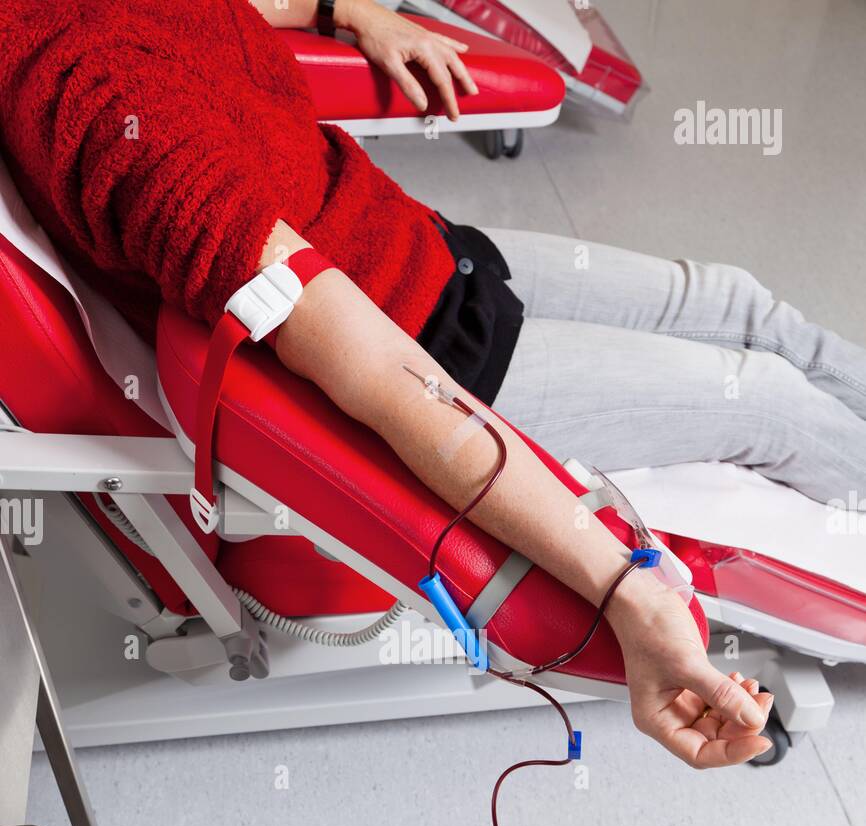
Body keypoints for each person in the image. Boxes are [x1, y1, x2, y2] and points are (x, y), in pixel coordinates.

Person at [7, 0, 821, 767]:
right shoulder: (113, 110)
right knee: (767, 403)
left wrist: (346, 13)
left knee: (740, 302)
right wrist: (628, 593)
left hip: (421, 245)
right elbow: (381, 376)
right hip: (440, 359)